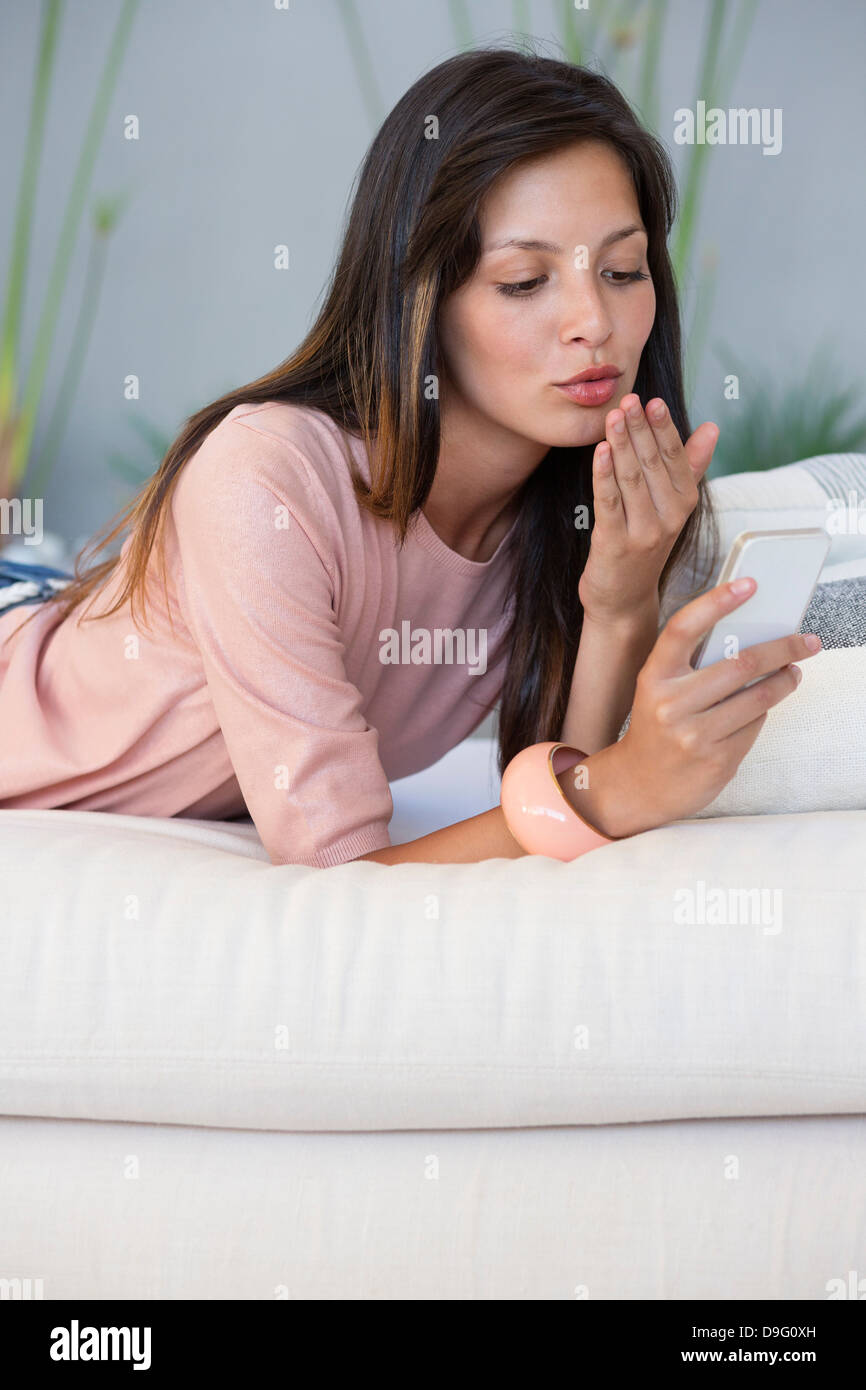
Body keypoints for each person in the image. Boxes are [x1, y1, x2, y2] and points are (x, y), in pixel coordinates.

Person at [0, 47, 821, 868]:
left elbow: (565, 795)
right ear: (421, 297)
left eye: (621, 270)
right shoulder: (265, 480)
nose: (593, 321)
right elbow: (346, 880)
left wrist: (619, 601)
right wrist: (617, 788)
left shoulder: (569, 508)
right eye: (525, 281)